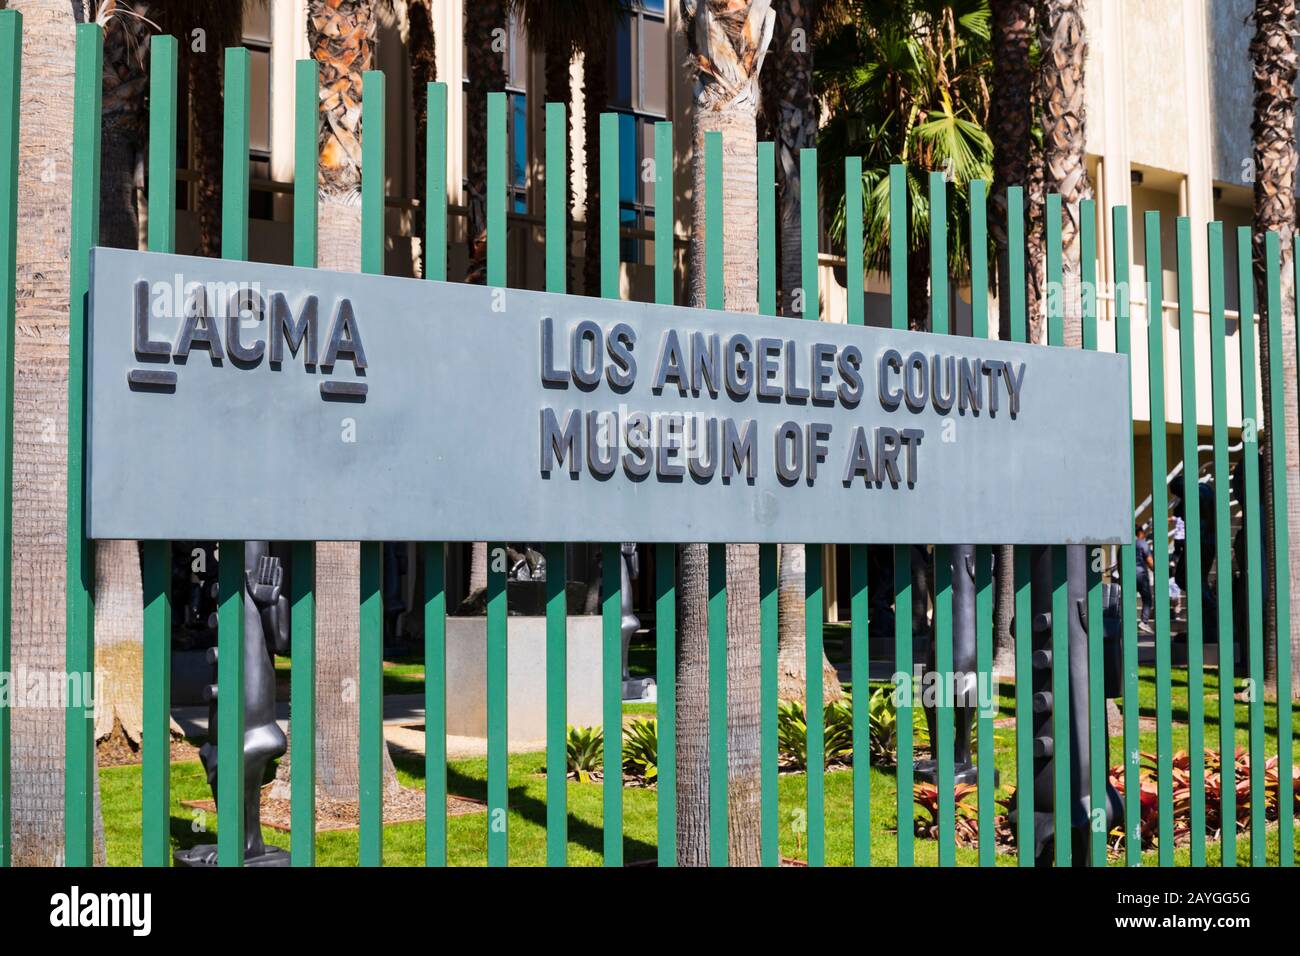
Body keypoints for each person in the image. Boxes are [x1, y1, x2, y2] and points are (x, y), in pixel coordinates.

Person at [1135, 523, 1154, 627]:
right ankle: (1144, 622)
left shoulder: (1123, 546)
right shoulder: (1142, 543)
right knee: (1147, 599)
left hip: (1127, 575)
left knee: (1128, 599)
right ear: (1140, 532)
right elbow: (1150, 561)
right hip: (1141, 574)